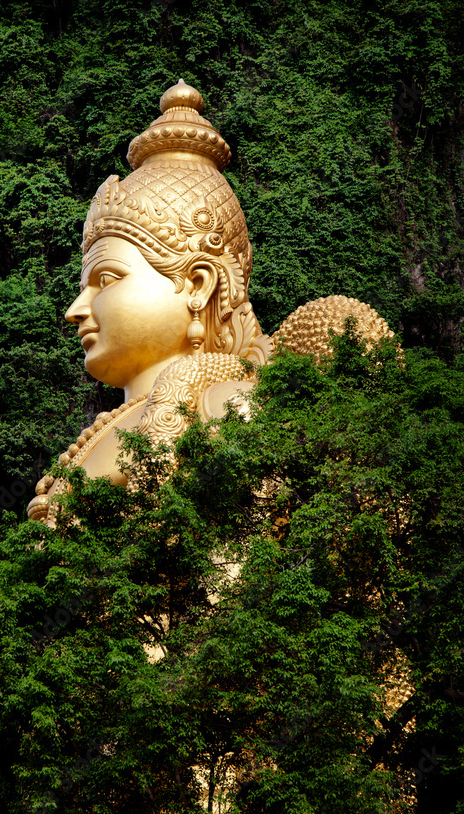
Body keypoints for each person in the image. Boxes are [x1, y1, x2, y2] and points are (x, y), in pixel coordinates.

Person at [28, 80, 395, 524]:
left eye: (105, 279)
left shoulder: (231, 408)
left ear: (199, 283)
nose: (77, 308)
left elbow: (240, 571)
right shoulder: (97, 436)